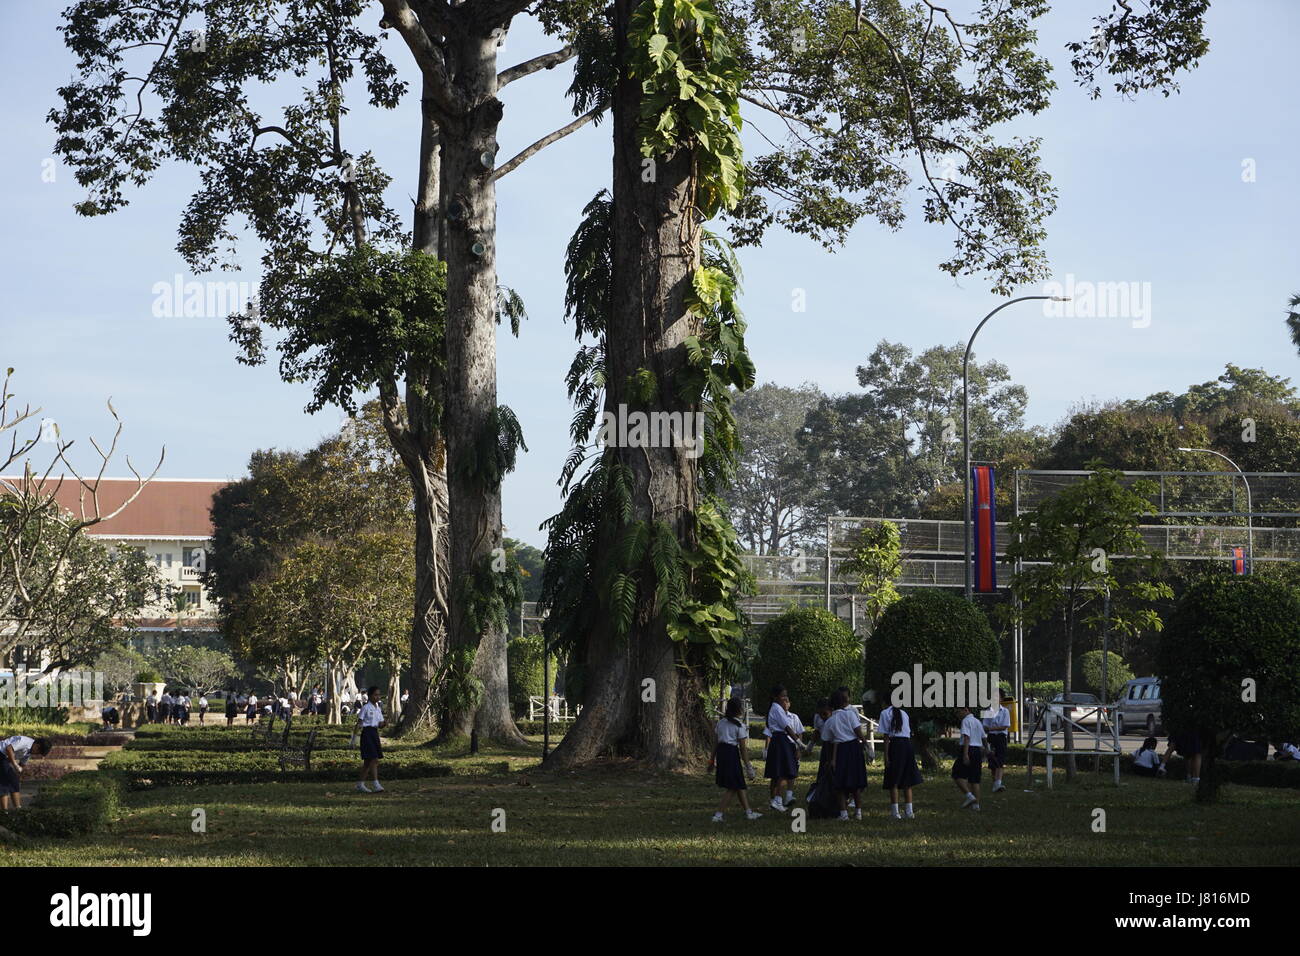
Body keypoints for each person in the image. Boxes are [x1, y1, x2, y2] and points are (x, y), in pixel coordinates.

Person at [709, 697, 761, 822]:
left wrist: (711, 760)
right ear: (739, 710)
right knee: (733, 786)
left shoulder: (721, 723)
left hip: (722, 753)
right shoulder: (739, 726)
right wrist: (748, 766)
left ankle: (748, 812)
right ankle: (718, 815)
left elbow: (715, 743)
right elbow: (743, 749)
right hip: (731, 754)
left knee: (738, 783)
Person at [825, 689, 868, 820]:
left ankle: (843, 814)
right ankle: (858, 812)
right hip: (854, 748)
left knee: (840, 783)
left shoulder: (831, 720)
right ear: (844, 702)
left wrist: (831, 759)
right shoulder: (850, 715)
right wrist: (866, 744)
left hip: (840, 750)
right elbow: (858, 731)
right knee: (856, 782)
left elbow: (828, 739)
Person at [879, 701, 922, 820]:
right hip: (907, 745)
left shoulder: (885, 713)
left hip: (896, 746)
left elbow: (886, 736)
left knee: (893, 779)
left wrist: (886, 755)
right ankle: (909, 812)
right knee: (907, 780)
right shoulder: (904, 713)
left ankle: (895, 813)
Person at [763, 685, 800, 813]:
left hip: (778, 740)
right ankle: (777, 800)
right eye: (782, 696)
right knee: (782, 771)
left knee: (777, 772)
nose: (785, 698)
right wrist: (799, 742)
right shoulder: (777, 708)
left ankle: (775, 800)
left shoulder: (775, 708)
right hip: (781, 740)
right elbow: (787, 728)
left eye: (786, 696)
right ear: (776, 697)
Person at [0, 735, 52, 810]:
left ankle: (18, 809)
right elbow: (9, 748)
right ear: (37, 746)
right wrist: (15, 765)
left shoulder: (29, 752)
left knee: (14, 782)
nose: (36, 754)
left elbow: (22, 765)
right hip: (1, 753)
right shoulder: (24, 742)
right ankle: (5, 811)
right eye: (38, 752)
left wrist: (18, 777)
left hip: (4, 758)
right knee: (4, 782)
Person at [952, 704, 985, 810]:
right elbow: (983, 737)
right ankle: (976, 805)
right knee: (974, 779)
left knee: (956, 774)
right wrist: (987, 749)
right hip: (977, 750)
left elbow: (967, 737)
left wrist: (965, 754)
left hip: (968, 749)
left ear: (965, 710)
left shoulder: (966, 721)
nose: (957, 715)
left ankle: (969, 796)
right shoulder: (977, 721)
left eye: (958, 712)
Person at [355, 686, 386, 793]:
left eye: (379, 694)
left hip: (374, 733)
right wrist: (354, 737)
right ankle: (376, 783)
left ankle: (360, 784)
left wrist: (385, 723)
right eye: (375, 695)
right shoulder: (366, 708)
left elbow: (380, 724)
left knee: (368, 762)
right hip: (367, 734)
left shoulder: (378, 708)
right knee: (374, 759)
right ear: (370, 696)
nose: (378, 697)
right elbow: (359, 722)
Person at [983, 695, 1012, 793]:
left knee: (1000, 760)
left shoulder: (1005, 711)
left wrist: (992, 728)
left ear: (1001, 699)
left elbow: (1005, 726)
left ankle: (998, 783)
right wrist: (992, 729)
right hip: (991, 737)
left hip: (1001, 737)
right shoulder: (988, 711)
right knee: (992, 760)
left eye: (997, 697)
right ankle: (995, 783)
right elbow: (985, 726)